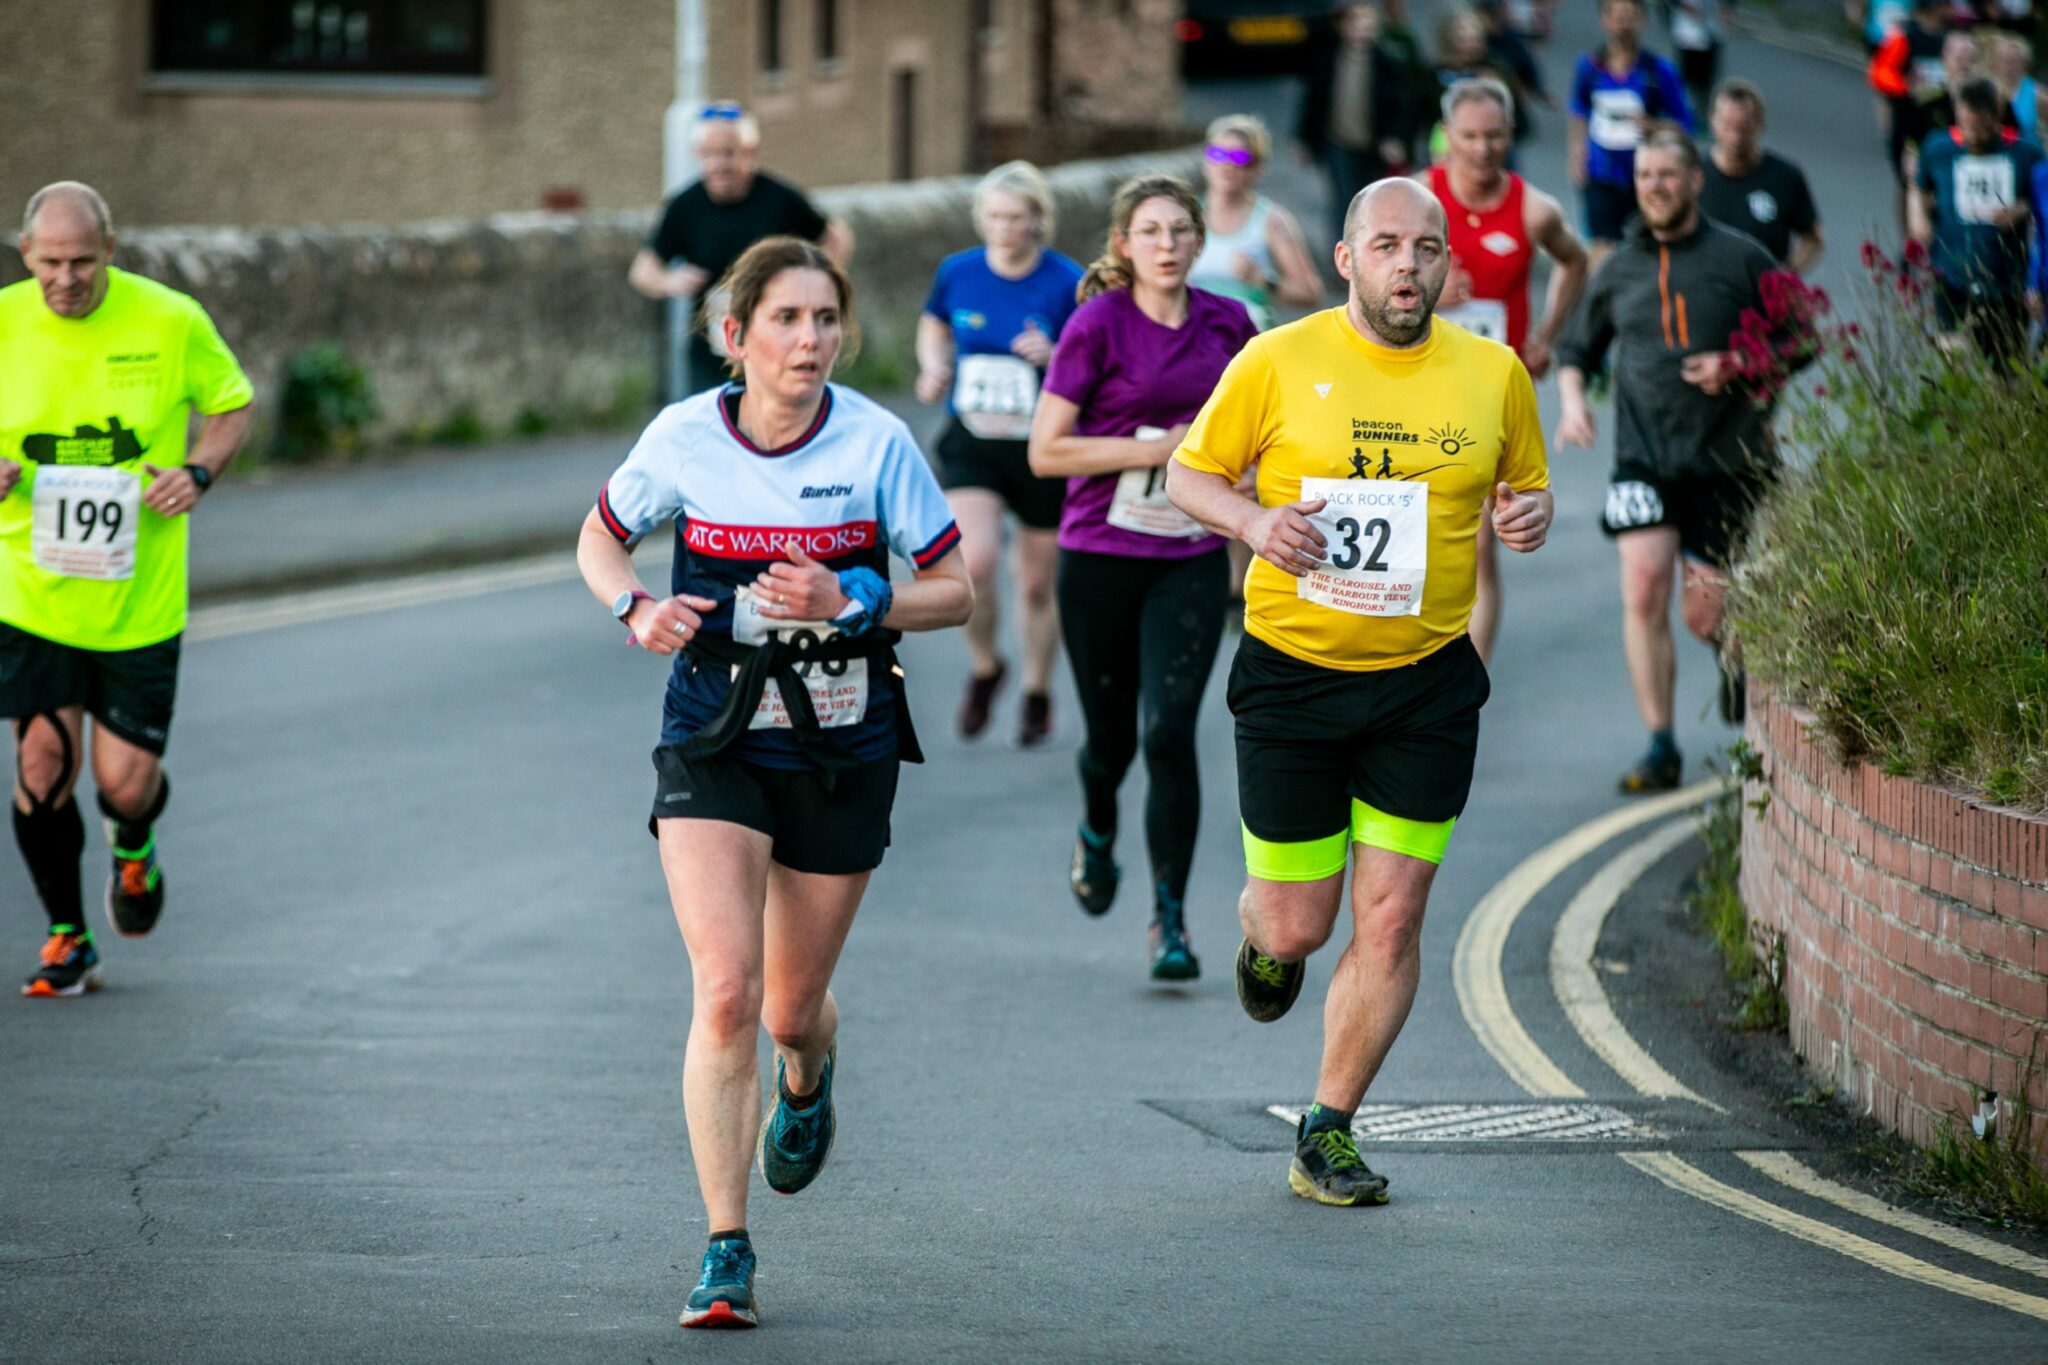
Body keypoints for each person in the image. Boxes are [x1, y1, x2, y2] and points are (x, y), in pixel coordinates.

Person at [578, 237, 970, 1329]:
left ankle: (810, 1073)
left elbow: (954, 592)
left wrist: (857, 592)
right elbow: (599, 540)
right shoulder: (681, 440)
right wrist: (634, 608)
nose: (809, 340)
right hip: (713, 734)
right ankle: (724, 1246)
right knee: (725, 992)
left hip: (842, 742)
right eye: (786, 320)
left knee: (791, 1009)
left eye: (825, 320)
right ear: (733, 336)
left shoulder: (877, 442)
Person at [1166, 178, 1552, 1207]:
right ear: (1345, 259)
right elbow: (1186, 476)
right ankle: (1263, 936)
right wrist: (1251, 525)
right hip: (1293, 677)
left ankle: (1325, 1128)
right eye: (1385, 246)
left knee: (1388, 921)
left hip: (1424, 686)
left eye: (1425, 250)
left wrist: (1527, 517)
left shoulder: (1493, 372)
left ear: (1445, 264)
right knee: (1300, 926)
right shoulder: (1277, 359)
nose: (1407, 268)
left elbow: (1525, 485)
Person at [2, 183, 253, 998]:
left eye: (81, 261)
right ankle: (67, 935)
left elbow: (230, 406)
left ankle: (133, 840)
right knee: (42, 762)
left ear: (109, 249)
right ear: (25, 253)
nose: (66, 279)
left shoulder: (169, 318)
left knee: (124, 783)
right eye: (49, 263)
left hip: (137, 598)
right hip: (29, 590)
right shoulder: (5, 320)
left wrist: (198, 470)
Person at [1027, 175, 1258, 982]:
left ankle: (1170, 917)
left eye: (1180, 231)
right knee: (1112, 742)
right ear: (1125, 245)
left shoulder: (1231, 325)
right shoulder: (1097, 325)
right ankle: (1096, 828)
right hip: (1098, 556)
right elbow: (1046, 451)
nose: (1167, 244)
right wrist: (1159, 450)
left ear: (1199, 242)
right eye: (1150, 232)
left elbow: (1263, 434)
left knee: (1169, 733)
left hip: (1187, 560)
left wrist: (1249, 489)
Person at [1555, 126, 1788, 792]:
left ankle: (1736, 661)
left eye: (1666, 175)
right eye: (1643, 177)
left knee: (1707, 611)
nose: (1653, 187)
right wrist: (1573, 404)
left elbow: (1803, 333)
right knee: (1644, 587)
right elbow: (1576, 352)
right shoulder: (1619, 267)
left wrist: (1741, 363)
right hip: (1643, 458)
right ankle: (1661, 744)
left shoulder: (1742, 258)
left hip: (1727, 458)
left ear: (1694, 181)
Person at [913, 162, 1083, 747]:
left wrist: (1055, 353)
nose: (1004, 229)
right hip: (974, 444)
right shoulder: (958, 272)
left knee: (1036, 584)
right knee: (976, 562)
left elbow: (1094, 363)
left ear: (1038, 221)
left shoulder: (1067, 282)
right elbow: (934, 323)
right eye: (993, 217)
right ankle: (987, 666)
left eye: (1016, 218)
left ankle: (1037, 687)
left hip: (1043, 451)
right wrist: (934, 366)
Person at [1426, 78, 1588, 663]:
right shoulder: (1419, 199)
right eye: (1469, 136)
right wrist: (1424, 290)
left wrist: (1545, 338)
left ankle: (1466, 681)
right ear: (1448, 137)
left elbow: (1575, 262)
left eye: (1494, 136)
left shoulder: (1534, 209)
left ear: (1510, 136)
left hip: (1492, 396)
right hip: (1416, 387)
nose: (1481, 149)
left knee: (1480, 546)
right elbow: (1364, 281)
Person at [628, 104, 854, 402]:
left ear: (750, 151)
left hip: (776, 350)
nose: (718, 164)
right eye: (708, 154)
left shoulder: (779, 200)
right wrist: (672, 281)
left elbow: (837, 238)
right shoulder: (686, 206)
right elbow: (643, 271)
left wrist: (815, 288)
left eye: (728, 153)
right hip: (713, 353)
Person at [1911, 76, 2043, 364]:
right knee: (1954, 356)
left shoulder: (2024, 154)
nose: (1972, 135)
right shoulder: (1938, 147)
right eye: (1966, 126)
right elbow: (1919, 186)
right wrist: (1919, 217)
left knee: (2006, 372)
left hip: (2006, 280)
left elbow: (2042, 202)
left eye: (1981, 128)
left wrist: (2021, 209)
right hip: (1951, 271)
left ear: (1996, 118)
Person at [1570, 0, 1696, 271]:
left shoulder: (1658, 71)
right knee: (1601, 243)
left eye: (1629, 16)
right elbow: (1579, 110)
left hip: (1646, 174)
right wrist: (1577, 154)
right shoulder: (1589, 67)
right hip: (1600, 172)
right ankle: (1602, 303)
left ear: (1643, 21)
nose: (1622, 24)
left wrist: (1654, 126)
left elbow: (1685, 124)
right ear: (1603, 20)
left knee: (1647, 242)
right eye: (1615, 16)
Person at [1301, 4, 1423, 249]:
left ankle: (1372, 250)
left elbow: (1404, 103)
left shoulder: (1387, 61)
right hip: (1339, 141)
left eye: (1368, 25)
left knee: (1373, 200)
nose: (1363, 31)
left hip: (1374, 147)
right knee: (1344, 200)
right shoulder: (1328, 57)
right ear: (1343, 28)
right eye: (1356, 24)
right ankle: (1343, 252)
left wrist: (1394, 138)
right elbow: (1313, 100)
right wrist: (1304, 139)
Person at [1190, 114, 1325, 332]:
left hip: (1247, 340)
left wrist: (1264, 280)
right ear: (1205, 162)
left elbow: (1310, 294)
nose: (1227, 165)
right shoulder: (1185, 216)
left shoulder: (1272, 221)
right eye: (1217, 154)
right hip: (1194, 334)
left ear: (1258, 167)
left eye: (1239, 158)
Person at [1700, 80, 1826, 272]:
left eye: (1744, 129)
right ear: (1712, 122)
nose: (1735, 138)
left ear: (1760, 125)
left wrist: (1787, 275)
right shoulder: (1693, 176)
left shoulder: (1786, 177)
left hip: (1762, 294)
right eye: (1727, 127)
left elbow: (1812, 239)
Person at [1666, 0, 1729, 120]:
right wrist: (1684, 6)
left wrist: (1727, 9)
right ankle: (1683, 115)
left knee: (1707, 81)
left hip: (1713, 32)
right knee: (1686, 80)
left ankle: (1704, 117)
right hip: (1687, 35)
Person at [1989, 34, 2046, 145]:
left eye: (2014, 61)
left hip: (2029, 157)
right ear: (1995, 63)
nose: (2008, 66)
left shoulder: (2037, 93)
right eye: (2003, 60)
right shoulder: (1986, 90)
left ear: (2025, 63)